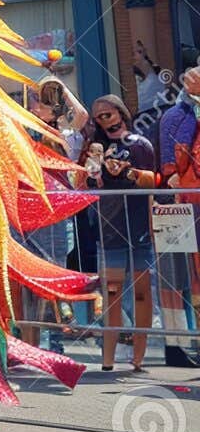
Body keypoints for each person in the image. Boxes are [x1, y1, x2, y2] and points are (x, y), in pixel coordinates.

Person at [82, 95, 160, 372]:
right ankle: (108, 358)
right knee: (112, 292)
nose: (104, 120)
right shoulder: (95, 148)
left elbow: (154, 180)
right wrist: (94, 174)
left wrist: (130, 173)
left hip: (138, 227)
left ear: (120, 113)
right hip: (110, 228)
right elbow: (86, 182)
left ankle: (138, 357)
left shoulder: (140, 144)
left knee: (141, 293)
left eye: (108, 114)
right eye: (98, 117)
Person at [20, 73, 89, 352]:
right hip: (29, 216)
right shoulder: (25, 135)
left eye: (45, 103)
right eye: (36, 101)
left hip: (58, 218)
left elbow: (82, 115)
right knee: (28, 282)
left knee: (54, 278)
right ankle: (30, 347)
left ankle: (55, 344)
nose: (37, 106)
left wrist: (59, 85)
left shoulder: (66, 138)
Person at [158, 64, 200, 367]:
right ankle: (185, 342)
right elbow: (171, 172)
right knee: (192, 277)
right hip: (190, 203)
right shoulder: (175, 117)